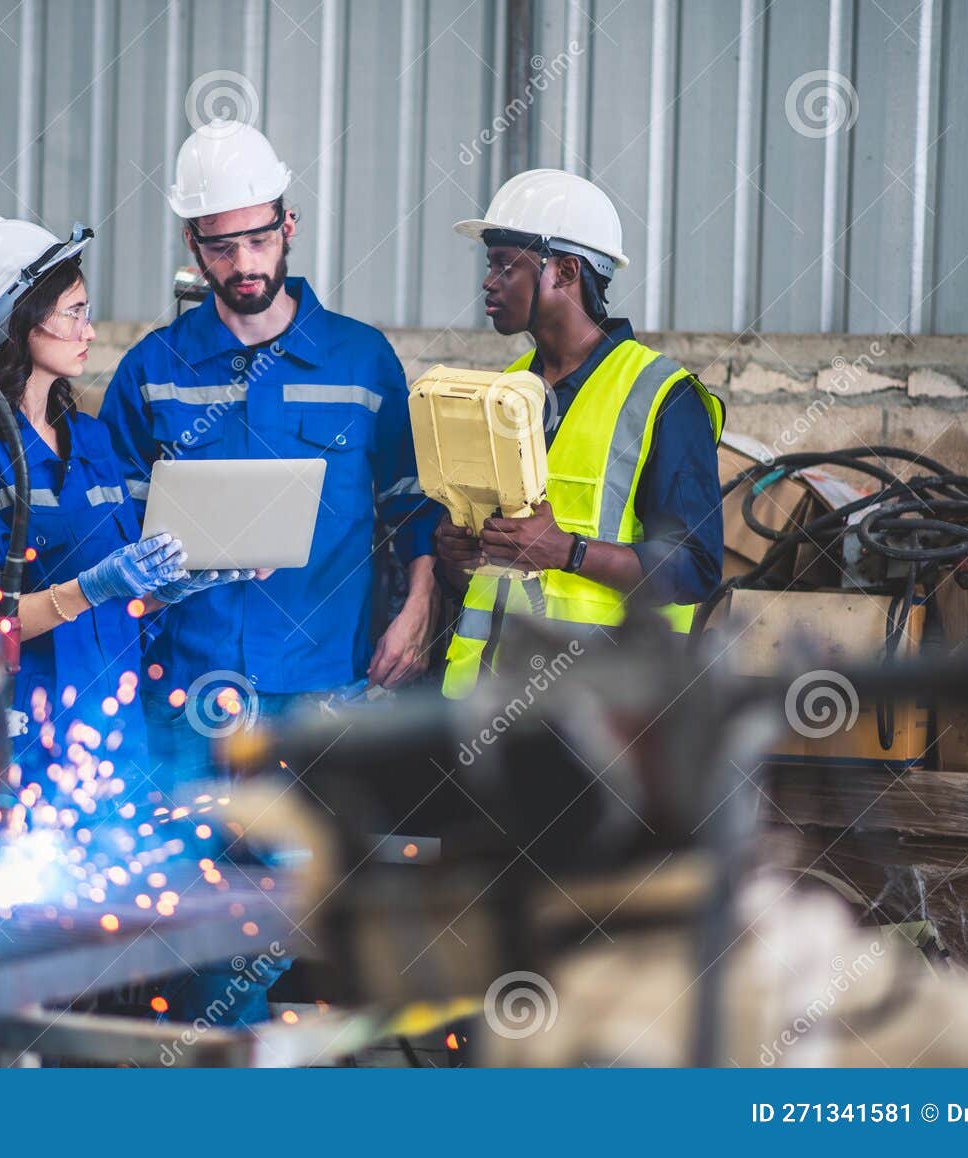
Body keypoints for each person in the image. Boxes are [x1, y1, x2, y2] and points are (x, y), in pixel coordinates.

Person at [98, 123, 443, 1024]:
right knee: (192, 916)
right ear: (193, 248)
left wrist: (417, 606)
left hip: (323, 691)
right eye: (222, 245)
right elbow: (111, 537)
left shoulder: (362, 362)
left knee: (315, 920)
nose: (244, 261)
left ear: (290, 225)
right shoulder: (153, 372)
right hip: (188, 692)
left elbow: (412, 505)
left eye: (258, 237)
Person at [0, 216, 248, 784]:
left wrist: (172, 588)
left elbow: (118, 601)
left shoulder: (94, 439)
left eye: (86, 311)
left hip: (109, 738)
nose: (89, 330)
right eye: (73, 313)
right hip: (16, 743)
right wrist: (90, 587)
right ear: (16, 321)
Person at [436, 169, 726, 698]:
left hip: (596, 721)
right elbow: (483, 580)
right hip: (478, 712)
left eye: (506, 264)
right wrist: (459, 556)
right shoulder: (504, 390)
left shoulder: (663, 396)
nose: (488, 280)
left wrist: (566, 552)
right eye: (490, 264)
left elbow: (696, 569)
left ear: (565, 270)